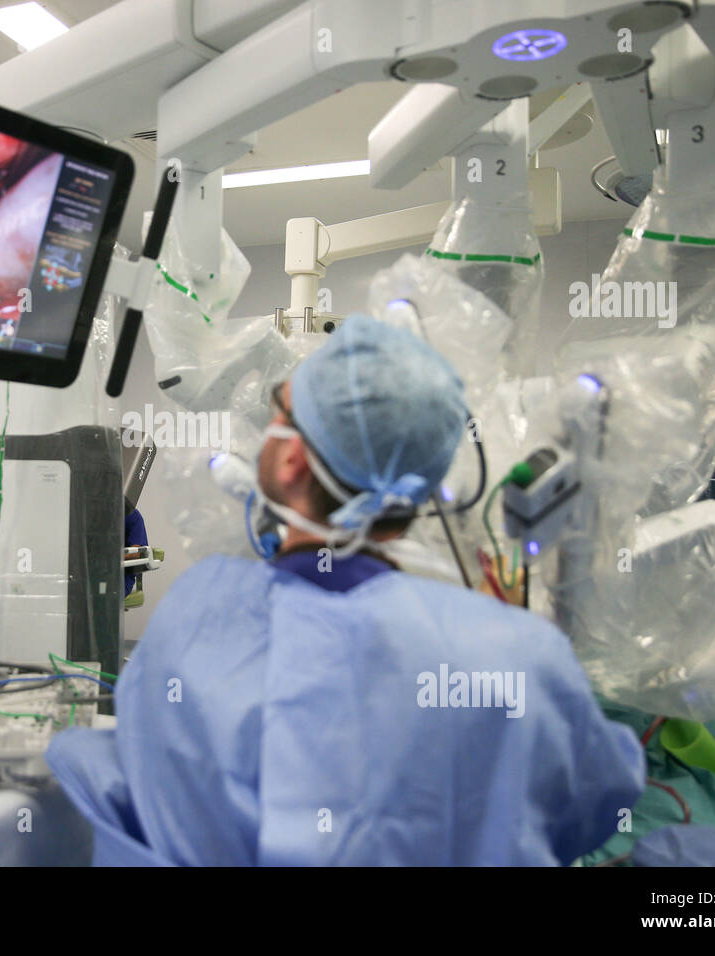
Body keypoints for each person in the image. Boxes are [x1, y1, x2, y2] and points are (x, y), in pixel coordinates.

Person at [46, 315, 645, 865]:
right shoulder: (519, 655)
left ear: (291, 464)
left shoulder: (197, 614)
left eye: (279, 415)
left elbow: (141, 774)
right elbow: (593, 803)